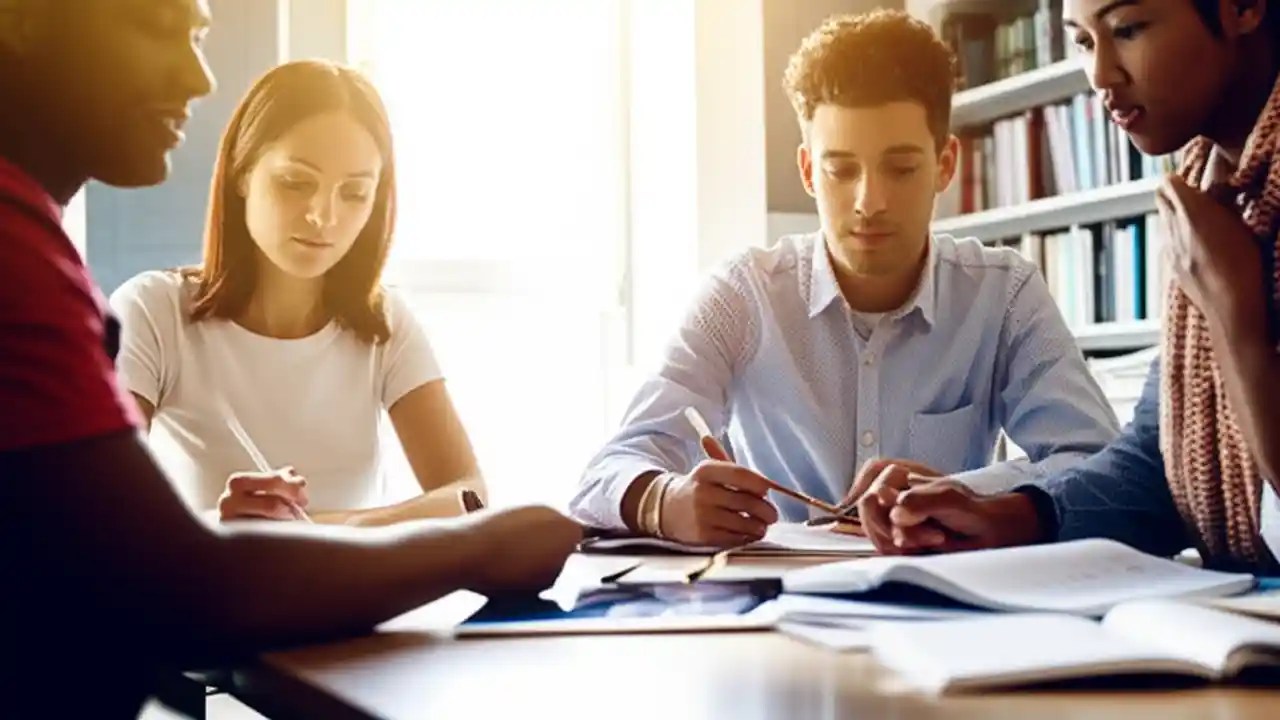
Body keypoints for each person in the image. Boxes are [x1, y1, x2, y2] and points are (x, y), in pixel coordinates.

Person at [0, 2, 580, 716]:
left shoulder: (35, 243)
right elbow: (167, 571)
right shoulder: (43, 269)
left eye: (353, 193)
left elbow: (463, 490)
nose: (201, 76)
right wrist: (476, 547)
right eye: (157, 28)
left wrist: (331, 530)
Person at [568, 9, 1120, 549]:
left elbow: (1097, 462)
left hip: (943, 603)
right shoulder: (742, 296)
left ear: (945, 164)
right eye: (841, 169)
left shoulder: (1006, 296)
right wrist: (663, 502)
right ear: (809, 171)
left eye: (901, 169)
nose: (869, 202)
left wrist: (963, 492)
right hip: (771, 605)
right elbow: (605, 473)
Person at [860, 0, 1280, 573]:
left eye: (1127, 30)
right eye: (1082, 42)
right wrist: (1007, 514)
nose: (1101, 75)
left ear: (1243, 8)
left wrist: (1239, 325)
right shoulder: (1206, 193)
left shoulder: (1216, 236)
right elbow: (1160, 462)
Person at [110, 59, 485, 525]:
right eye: (296, 183)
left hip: (358, 592)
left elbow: (470, 495)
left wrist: (319, 530)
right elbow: (101, 510)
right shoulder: (152, 311)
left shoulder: (384, 321)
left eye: (353, 193)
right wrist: (216, 527)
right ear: (241, 174)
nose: (323, 217)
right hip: (212, 591)